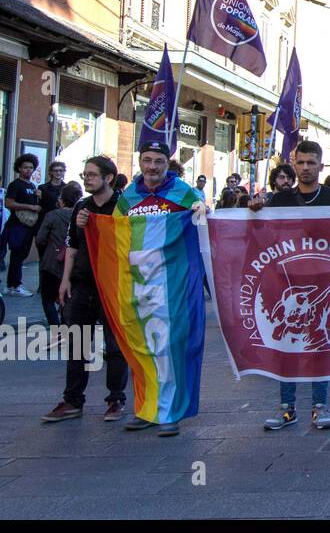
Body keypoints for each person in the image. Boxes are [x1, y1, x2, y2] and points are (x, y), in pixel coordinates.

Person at [251, 141, 330, 431]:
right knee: (284, 345)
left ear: (321, 166)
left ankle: (319, 406)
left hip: (323, 279)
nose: (306, 168)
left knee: (319, 345)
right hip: (287, 283)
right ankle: (287, 408)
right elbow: (262, 241)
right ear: (294, 164)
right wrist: (256, 215)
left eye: (312, 163)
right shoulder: (278, 201)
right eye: (301, 163)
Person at [111, 141, 209, 435]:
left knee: (171, 345)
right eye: (147, 160)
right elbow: (114, 232)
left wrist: (202, 210)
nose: (152, 167)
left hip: (174, 284)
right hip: (139, 284)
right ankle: (146, 408)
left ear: (168, 164)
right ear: (140, 163)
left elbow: (205, 221)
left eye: (158, 161)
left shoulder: (184, 192)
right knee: (141, 347)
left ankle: (170, 412)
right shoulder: (128, 197)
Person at [40, 157, 128, 426]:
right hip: (82, 283)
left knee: (114, 346)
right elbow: (72, 247)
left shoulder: (123, 206)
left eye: (92, 174)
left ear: (108, 178)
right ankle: (72, 400)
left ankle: (115, 399)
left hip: (113, 284)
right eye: (85, 174)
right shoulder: (81, 205)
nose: (87, 178)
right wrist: (65, 281)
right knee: (77, 343)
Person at [34, 182, 81, 327]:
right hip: (75, 264)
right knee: (68, 300)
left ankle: (57, 331)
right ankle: (66, 329)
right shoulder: (82, 217)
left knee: (48, 300)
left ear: (62, 199)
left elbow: (40, 238)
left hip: (51, 263)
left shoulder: (52, 215)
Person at [2, 153, 43, 297]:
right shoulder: (15, 185)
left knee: (21, 255)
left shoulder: (32, 185)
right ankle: (14, 285)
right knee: (17, 255)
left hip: (28, 226)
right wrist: (30, 207)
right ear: (19, 168)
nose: (28, 170)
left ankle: (14, 284)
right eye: (25, 167)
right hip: (16, 225)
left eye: (31, 167)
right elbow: (8, 203)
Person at [36, 160, 68, 229]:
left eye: (60, 170)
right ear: (51, 172)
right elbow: (40, 205)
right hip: (45, 220)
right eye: (56, 171)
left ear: (63, 172)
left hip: (61, 220)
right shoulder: (42, 187)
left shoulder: (67, 188)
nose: (58, 173)